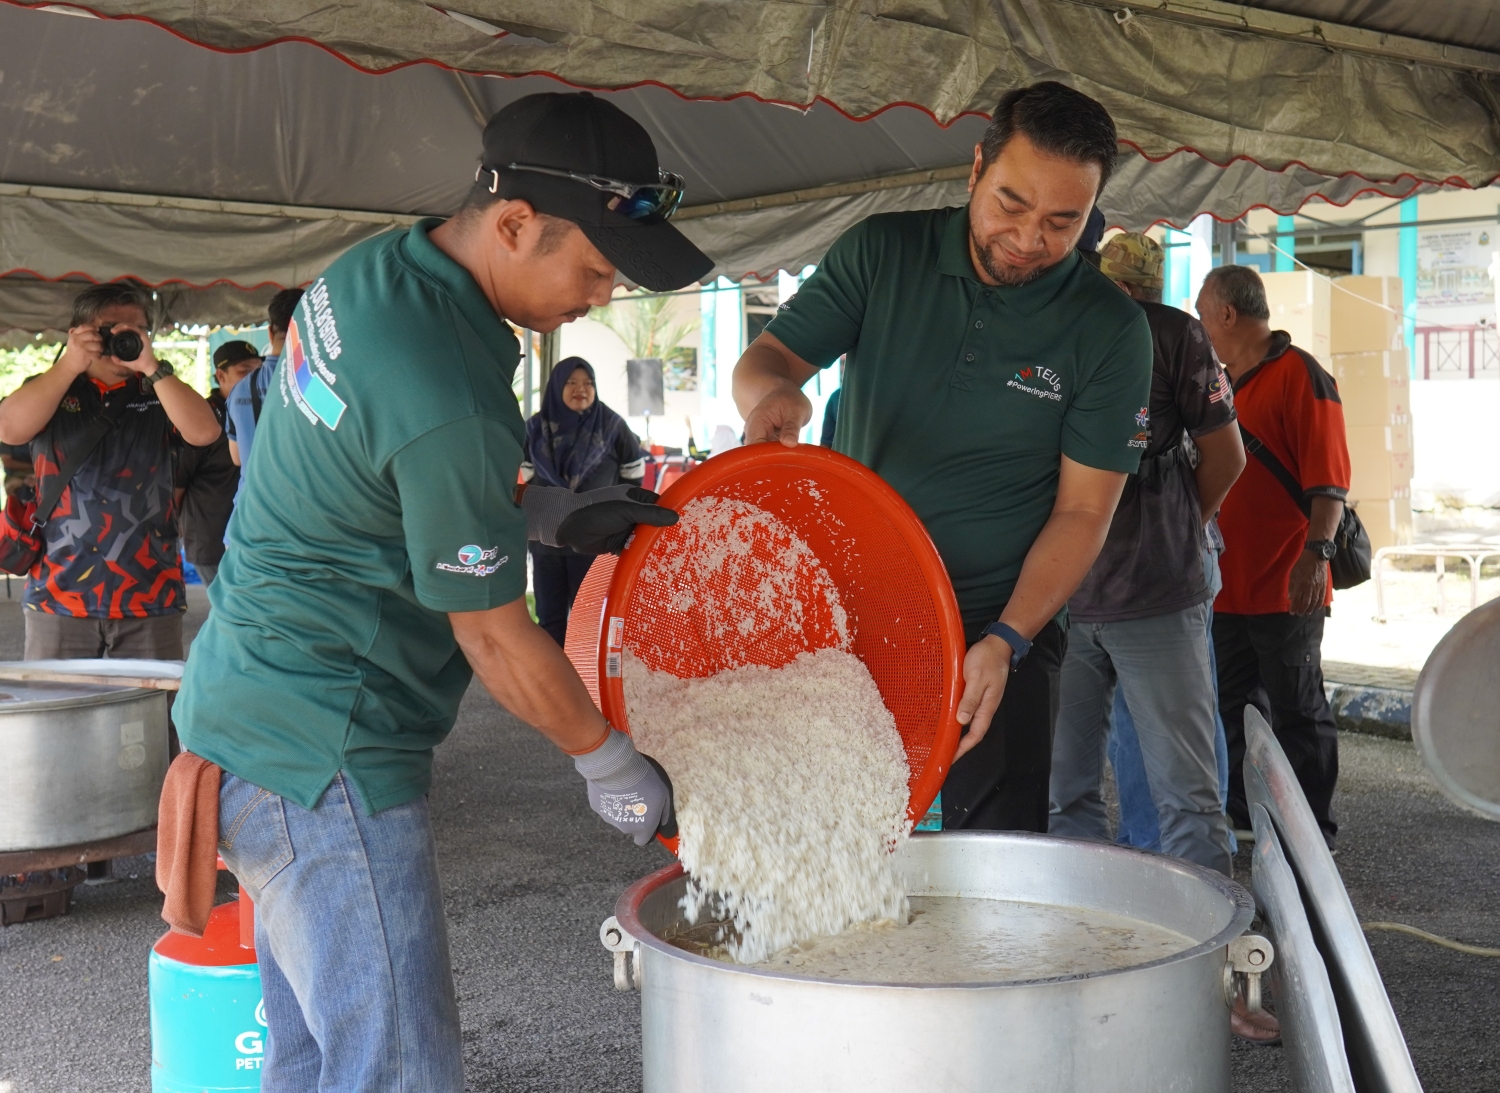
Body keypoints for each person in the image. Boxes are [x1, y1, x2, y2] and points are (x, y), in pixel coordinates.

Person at [172, 91, 707, 1091]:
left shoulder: (380, 272)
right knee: (398, 1072)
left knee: (315, 1059)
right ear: (513, 225)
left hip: (244, 712)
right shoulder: (447, 378)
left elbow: (388, 462)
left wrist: (541, 508)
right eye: (594, 268)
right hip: (327, 752)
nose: (602, 295)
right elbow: (498, 640)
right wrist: (611, 760)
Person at [733, 81, 1153, 833]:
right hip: (846, 618)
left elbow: (1085, 509)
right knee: (834, 835)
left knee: (983, 861)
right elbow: (770, 358)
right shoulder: (882, 253)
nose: (1029, 240)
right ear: (975, 169)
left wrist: (1009, 638)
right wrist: (768, 398)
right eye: (1011, 205)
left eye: (1064, 221)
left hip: (994, 633)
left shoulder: (1109, 328)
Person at [1047, 232, 1244, 878]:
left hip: (1154, 591)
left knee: (1182, 794)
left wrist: (1180, 523)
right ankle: (1081, 934)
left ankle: (1206, 953)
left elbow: (1226, 455)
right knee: (1065, 789)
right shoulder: (1038, 331)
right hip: (1060, 598)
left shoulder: (1172, 335)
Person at [1195, 264, 1349, 851]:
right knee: (1231, 706)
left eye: (1205, 313)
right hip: (1226, 584)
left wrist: (1317, 556)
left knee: (1297, 709)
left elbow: (1329, 479)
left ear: (1228, 314)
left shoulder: (1300, 375)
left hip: (1288, 580)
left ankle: (1313, 831)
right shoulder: (1218, 379)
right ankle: (1248, 817)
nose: (1202, 325)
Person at [0, 282, 220, 659]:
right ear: (79, 333)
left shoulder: (159, 389)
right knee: (61, 714)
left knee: (147, 715)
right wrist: (70, 364)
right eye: (108, 330)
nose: (120, 337)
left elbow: (205, 432)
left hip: (149, 595)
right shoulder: (52, 388)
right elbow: (9, 429)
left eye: (133, 330)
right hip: (59, 595)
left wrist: (152, 367)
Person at [520, 356, 645, 645]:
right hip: (546, 539)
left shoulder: (613, 426)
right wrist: (558, 501)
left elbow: (634, 474)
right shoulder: (535, 428)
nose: (582, 389)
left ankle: (586, 683)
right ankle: (553, 683)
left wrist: (610, 507)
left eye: (588, 383)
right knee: (549, 617)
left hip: (594, 538)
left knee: (590, 618)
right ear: (556, 387)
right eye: (572, 383)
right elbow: (526, 472)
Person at [176, 341, 257, 586]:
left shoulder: (260, 409)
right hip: (211, 538)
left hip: (248, 535)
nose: (253, 378)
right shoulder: (204, 418)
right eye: (244, 371)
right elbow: (176, 480)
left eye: (258, 371)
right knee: (232, 613)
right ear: (220, 375)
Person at [225, 287, 304, 492]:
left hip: (251, 509)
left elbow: (237, 457)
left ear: (270, 332)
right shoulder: (319, 383)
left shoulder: (239, 390)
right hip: (303, 509)